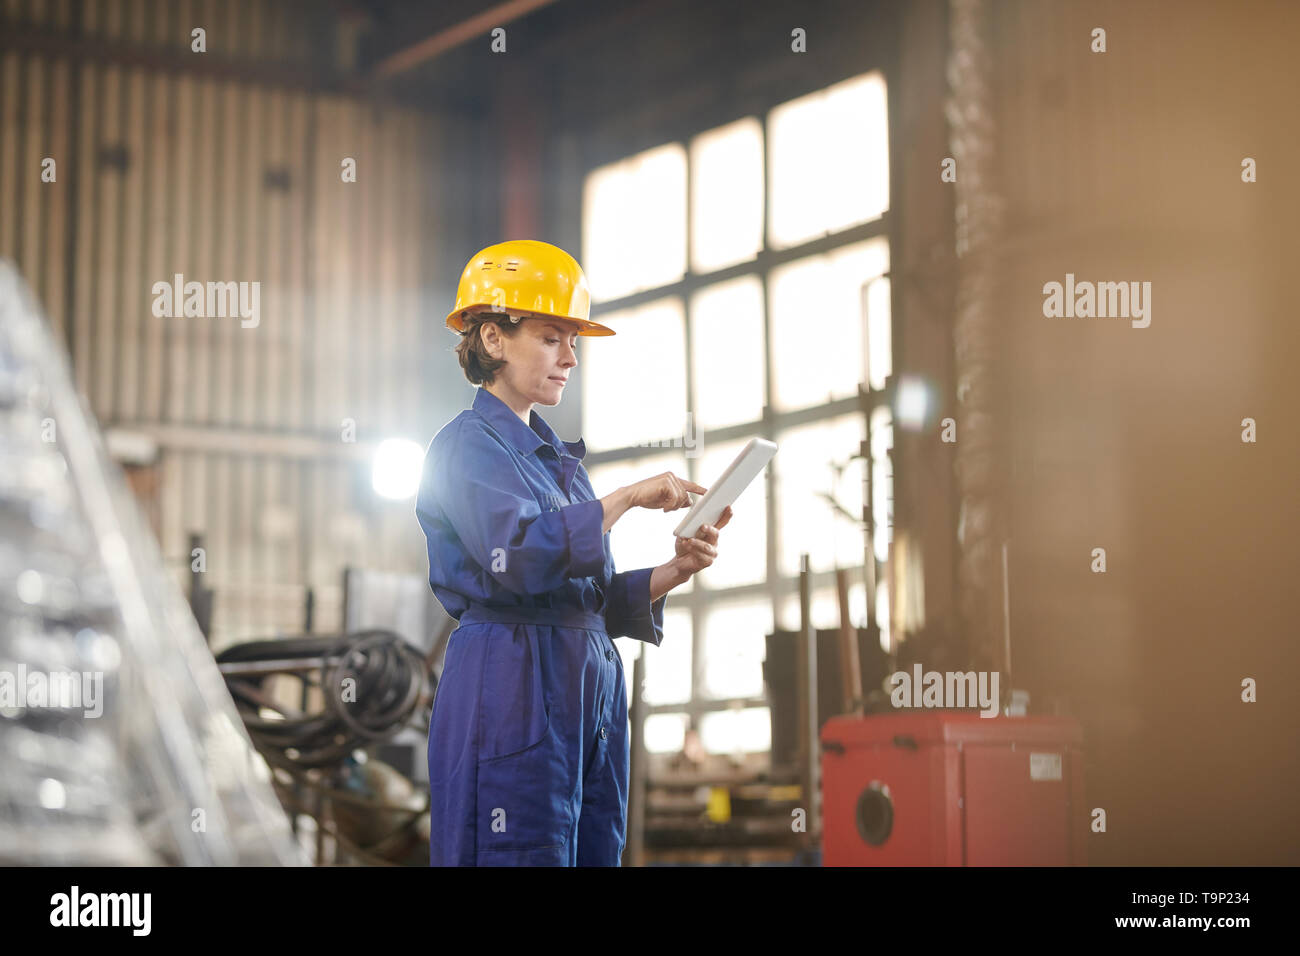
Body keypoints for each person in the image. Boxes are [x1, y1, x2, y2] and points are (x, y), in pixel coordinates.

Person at [416, 239, 732, 866]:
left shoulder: (562, 468)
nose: (570, 358)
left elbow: (589, 605)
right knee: (515, 850)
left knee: (591, 849)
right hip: (512, 688)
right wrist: (627, 497)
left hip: (585, 693)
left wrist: (673, 571)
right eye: (551, 337)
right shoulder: (465, 447)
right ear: (492, 338)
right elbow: (520, 558)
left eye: (574, 343)